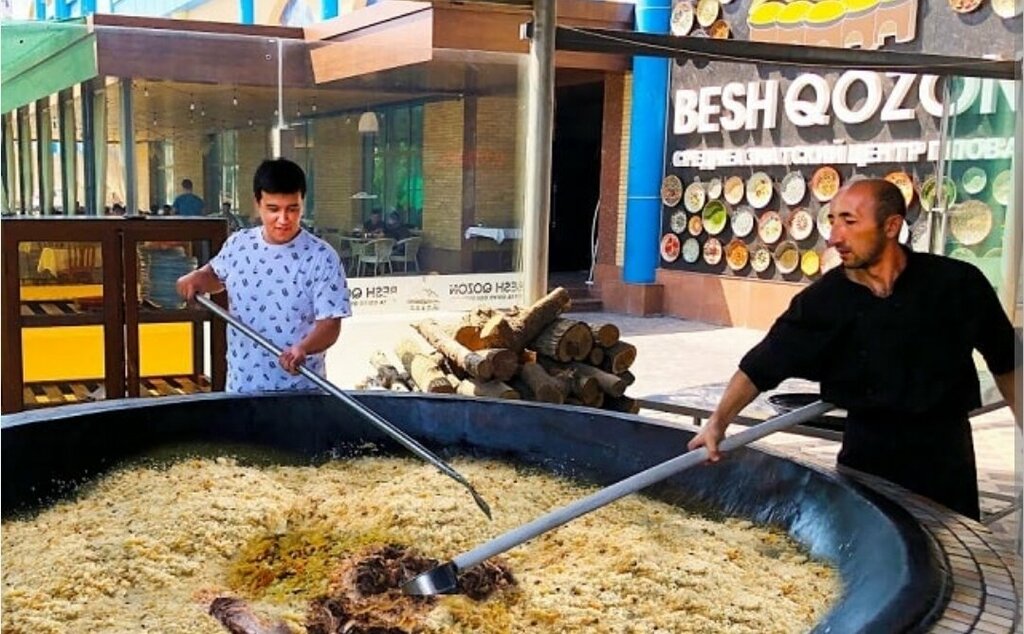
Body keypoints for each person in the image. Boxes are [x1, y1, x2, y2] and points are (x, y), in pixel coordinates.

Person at [688, 179, 1021, 520]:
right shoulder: (823, 302)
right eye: (832, 221)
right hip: (867, 459)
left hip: (947, 458)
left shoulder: (956, 283)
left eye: (848, 221)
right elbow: (759, 367)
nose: (834, 238)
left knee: (953, 565)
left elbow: (1008, 362)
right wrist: (716, 424)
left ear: (891, 226)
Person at [176, 158, 352, 393]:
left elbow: (330, 324)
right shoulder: (239, 244)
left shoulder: (322, 257)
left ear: (302, 204)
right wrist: (196, 278)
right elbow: (215, 277)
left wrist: (304, 348)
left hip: (299, 393)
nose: (283, 219)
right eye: (273, 209)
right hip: (241, 387)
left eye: (292, 209)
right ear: (257, 203)